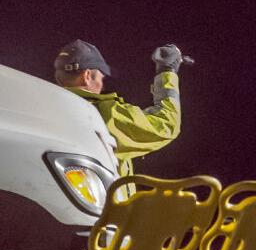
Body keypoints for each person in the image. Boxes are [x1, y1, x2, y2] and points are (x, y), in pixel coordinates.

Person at [53, 39, 184, 178]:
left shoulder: (51, 110)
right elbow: (166, 124)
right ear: (86, 76)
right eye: (101, 78)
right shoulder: (100, 113)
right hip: (103, 199)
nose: (102, 86)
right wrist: (167, 71)